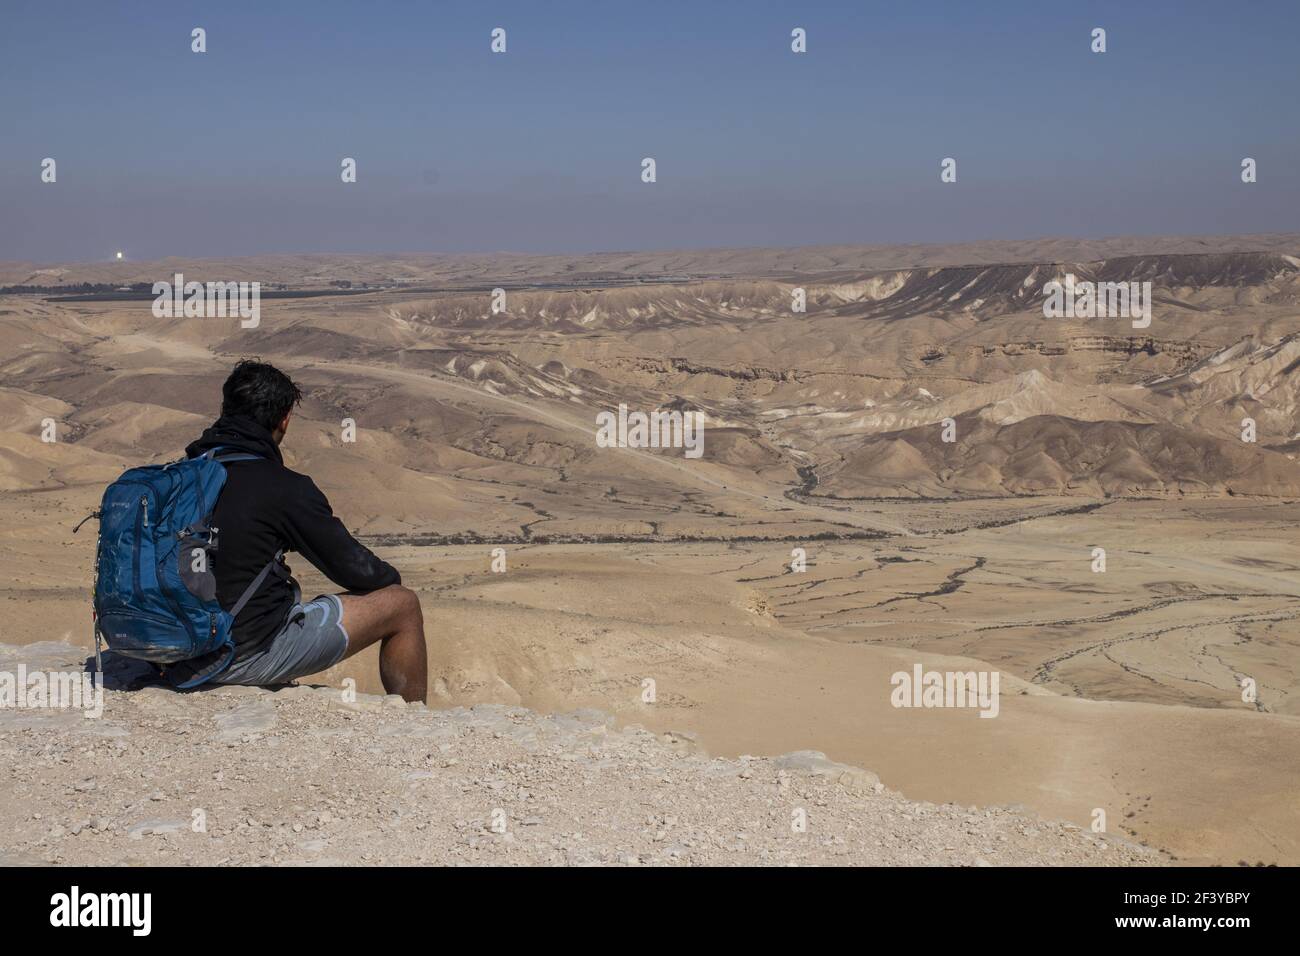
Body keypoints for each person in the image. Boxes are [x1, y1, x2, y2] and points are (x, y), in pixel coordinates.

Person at [171, 359, 427, 702]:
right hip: (238, 655)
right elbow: (357, 571)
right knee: (403, 604)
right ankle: (414, 720)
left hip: (167, 651)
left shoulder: (179, 476)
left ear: (225, 409)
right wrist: (390, 578)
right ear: (284, 420)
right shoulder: (282, 487)